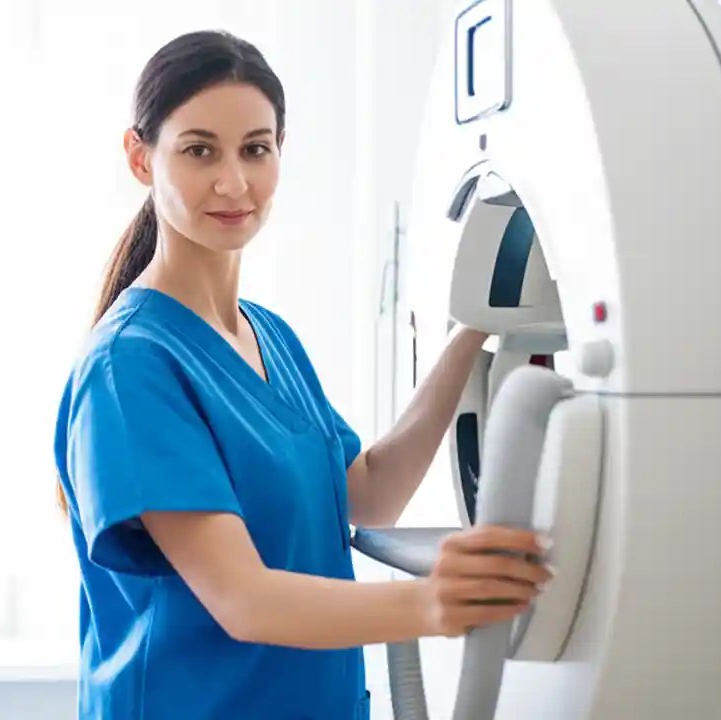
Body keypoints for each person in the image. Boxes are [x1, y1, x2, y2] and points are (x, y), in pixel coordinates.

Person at [52, 29, 551, 720]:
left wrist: (475, 328)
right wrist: (432, 602)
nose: (234, 182)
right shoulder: (131, 366)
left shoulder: (268, 336)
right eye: (200, 150)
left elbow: (367, 497)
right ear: (141, 158)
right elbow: (243, 599)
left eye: (256, 148)